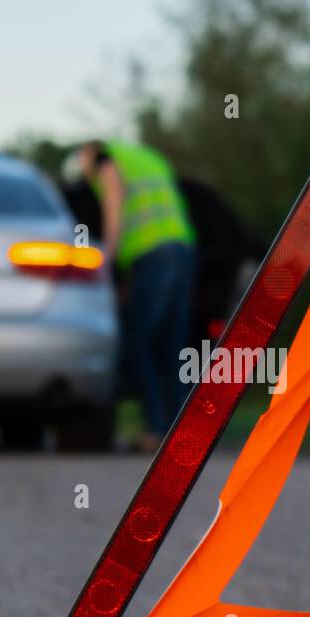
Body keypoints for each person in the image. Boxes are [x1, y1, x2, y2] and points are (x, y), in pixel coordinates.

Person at [73, 140, 198, 452]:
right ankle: (185, 432)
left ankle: (155, 430)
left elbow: (114, 214)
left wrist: (107, 263)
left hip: (151, 254)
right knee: (173, 344)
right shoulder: (149, 158)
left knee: (139, 341)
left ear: (89, 152)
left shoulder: (107, 163)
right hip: (182, 248)